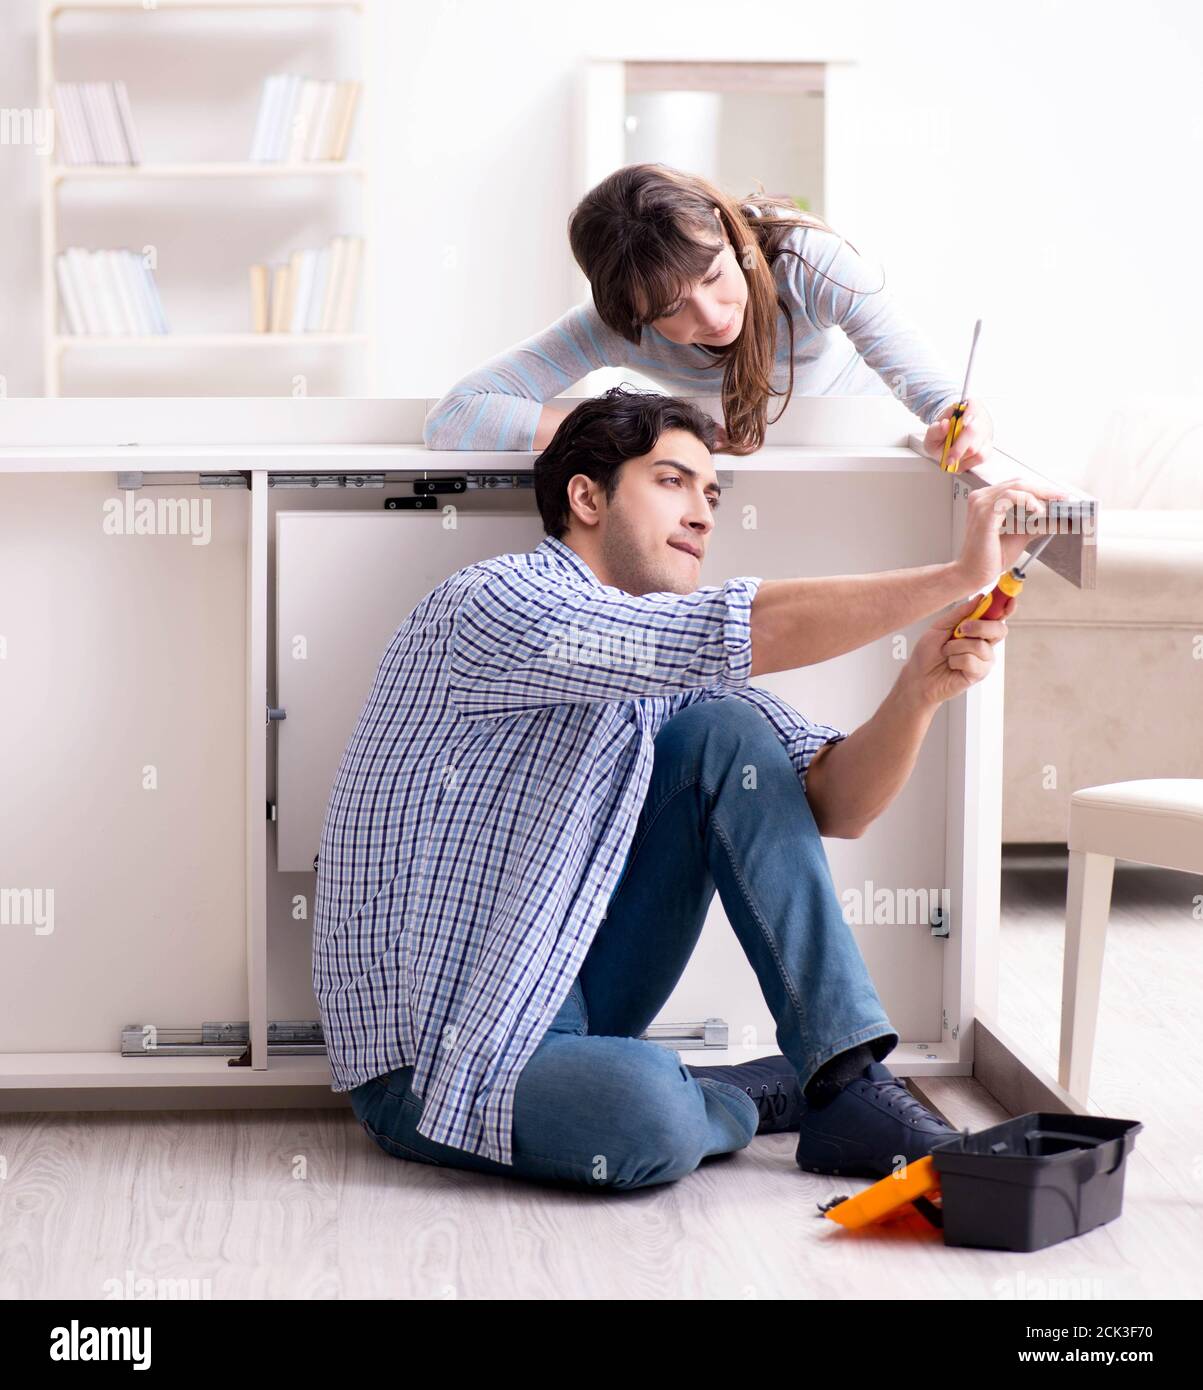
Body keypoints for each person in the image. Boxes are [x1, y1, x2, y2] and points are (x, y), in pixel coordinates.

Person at [314, 386, 1063, 1191]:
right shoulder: (498, 600)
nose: (704, 514)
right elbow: (747, 629)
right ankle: (731, 1093)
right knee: (645, 1118)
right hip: (437, 1062)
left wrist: (916, 691)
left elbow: (838, 805)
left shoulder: (670, 668)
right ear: (586, 497)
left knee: (729, 740)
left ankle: (844, 1081)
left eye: (711, 493)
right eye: (672, 482)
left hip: (572, 999)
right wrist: (959, 573)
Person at [422, 161, 993, 469]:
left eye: (716, 276)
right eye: (672, 309)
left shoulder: (803, 259)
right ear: (632, 314)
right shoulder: (612, 324)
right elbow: (456, 419)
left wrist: (962, 419)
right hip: (735, 478)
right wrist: (649, 430)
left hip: (861, 456)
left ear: (726, 233)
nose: (715, 316)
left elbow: (931, 387)